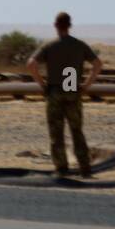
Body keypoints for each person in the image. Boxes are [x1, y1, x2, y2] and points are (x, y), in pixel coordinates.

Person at [26, 12, 102, 179]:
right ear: (70, 25)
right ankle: (85, 168)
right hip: (72, 88)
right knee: (77, 131)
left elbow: (31, 64)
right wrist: (86, 86)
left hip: (54, 91)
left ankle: (61, 168)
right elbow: (97, 64)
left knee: (56, 132)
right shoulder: (79, 45)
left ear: (55, 25)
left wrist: (42, 85)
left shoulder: (49, 46)